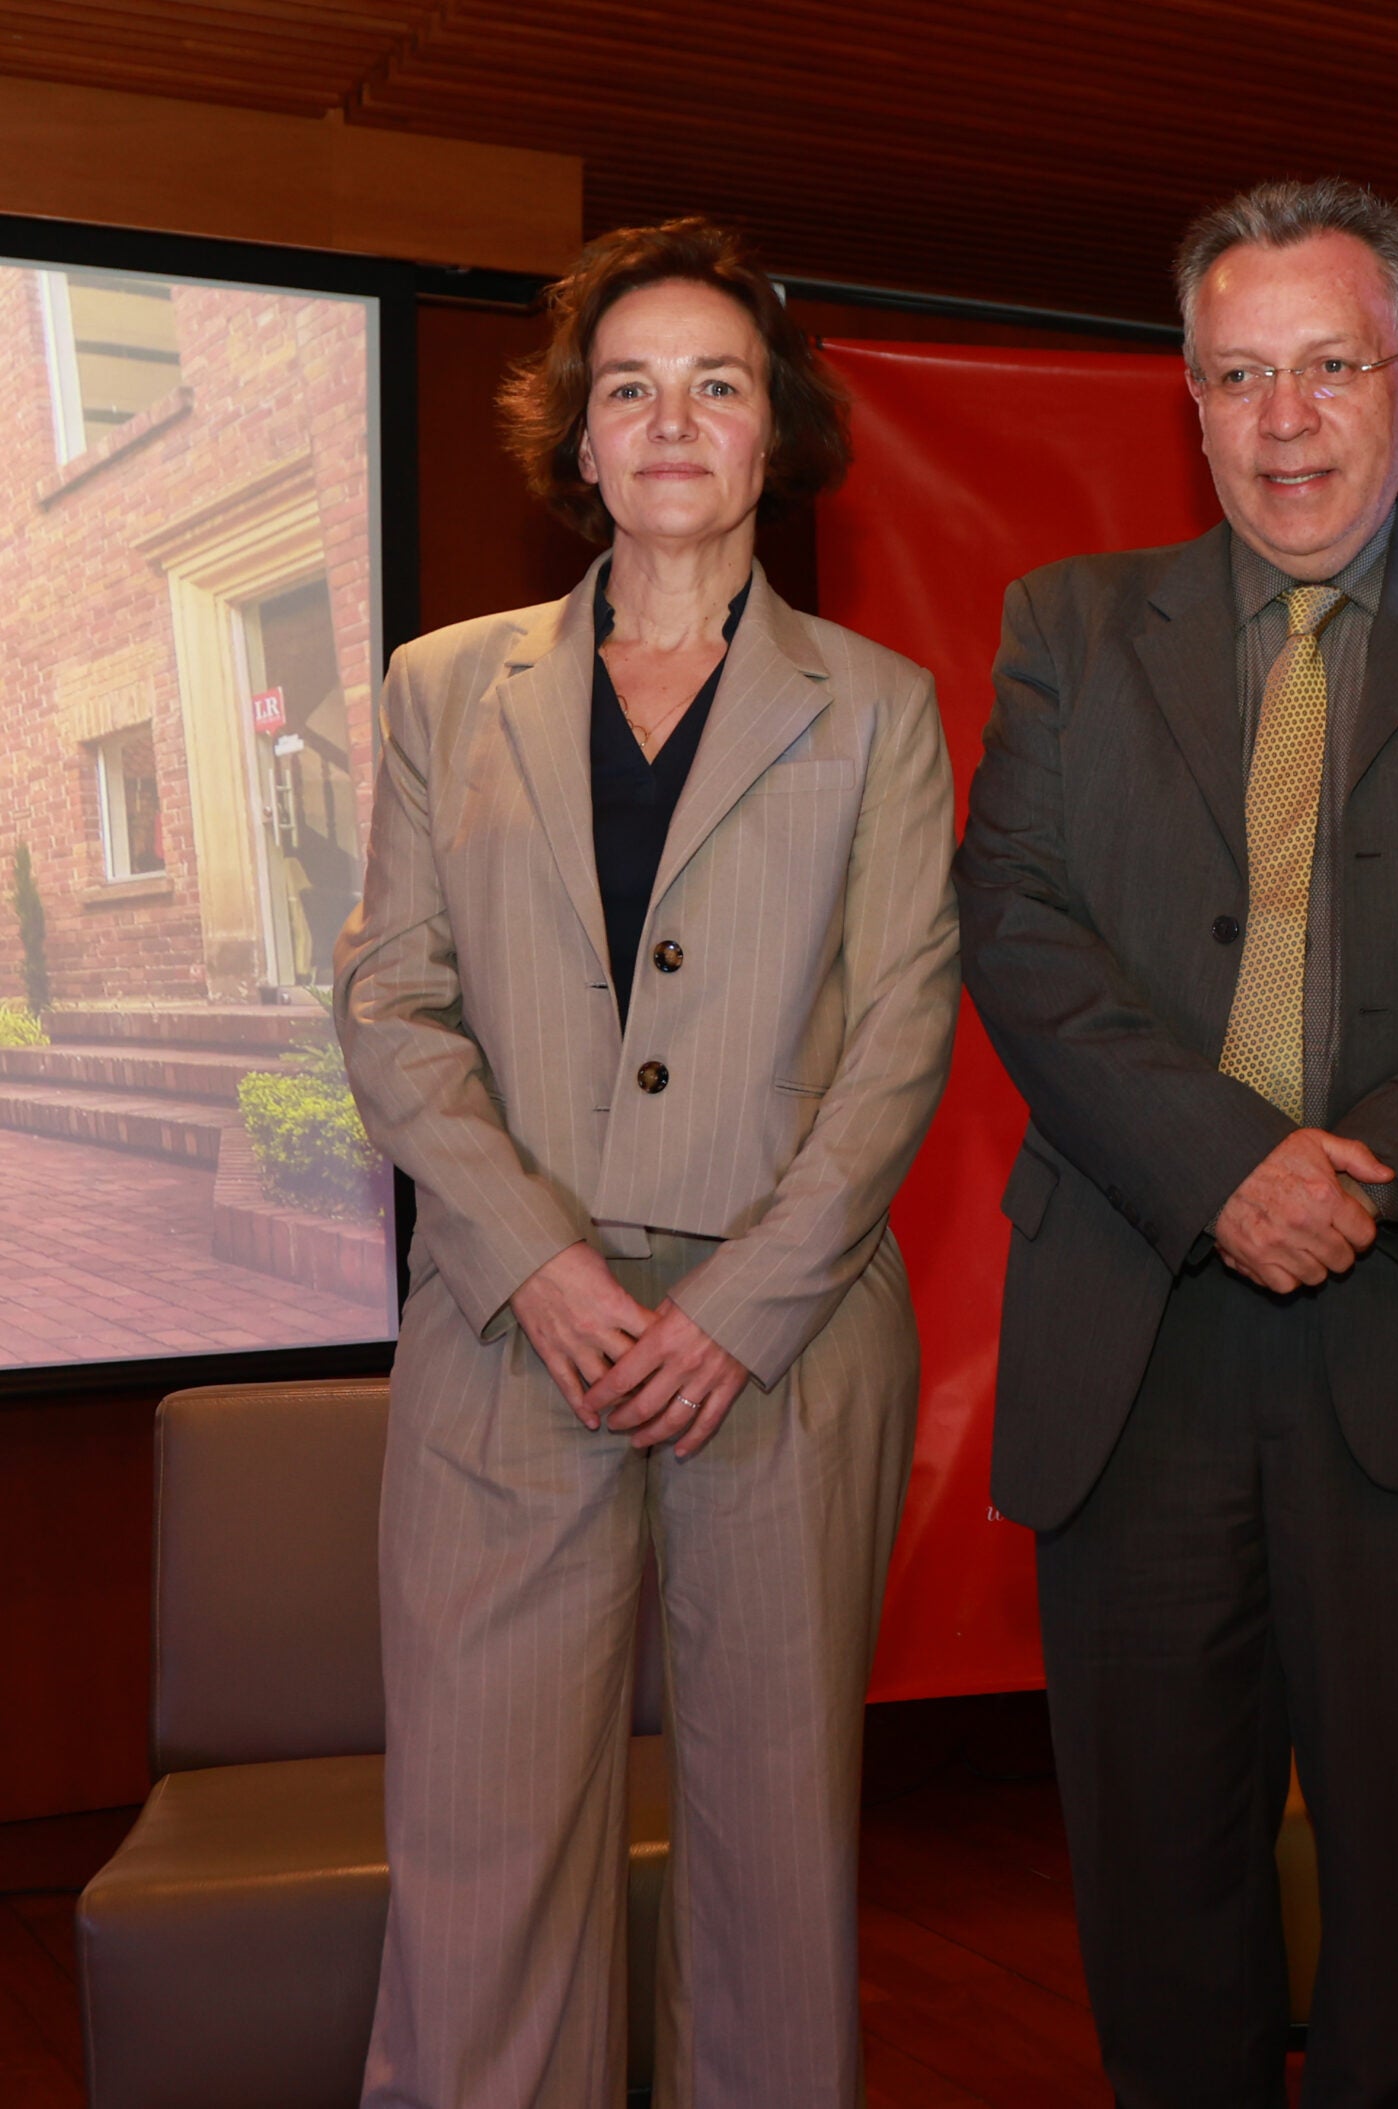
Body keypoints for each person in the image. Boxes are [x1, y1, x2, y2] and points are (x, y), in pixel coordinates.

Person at [955, 177, 1398, 2108]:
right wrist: (1227, 1165)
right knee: (1159, 1903)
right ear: (1192, 399)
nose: (1288, 418)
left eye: (1332, 366)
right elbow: (1018, 925)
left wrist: (1354, 1176)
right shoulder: (1069, 626)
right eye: (1241, 376)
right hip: (1134, 1338)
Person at [335, 216, 959, 2107]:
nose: (673, 421)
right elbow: (392, 1005)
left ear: (775, 433)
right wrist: (539, 1260)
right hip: (506, 1326)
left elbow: (901, 1036)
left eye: (716, 384)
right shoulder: (443, 689)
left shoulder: (880, 707)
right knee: (480, 1869)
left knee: (775, 1869)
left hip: (783, 1345)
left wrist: (743, 1304)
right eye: (631, 387)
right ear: (580, 437)